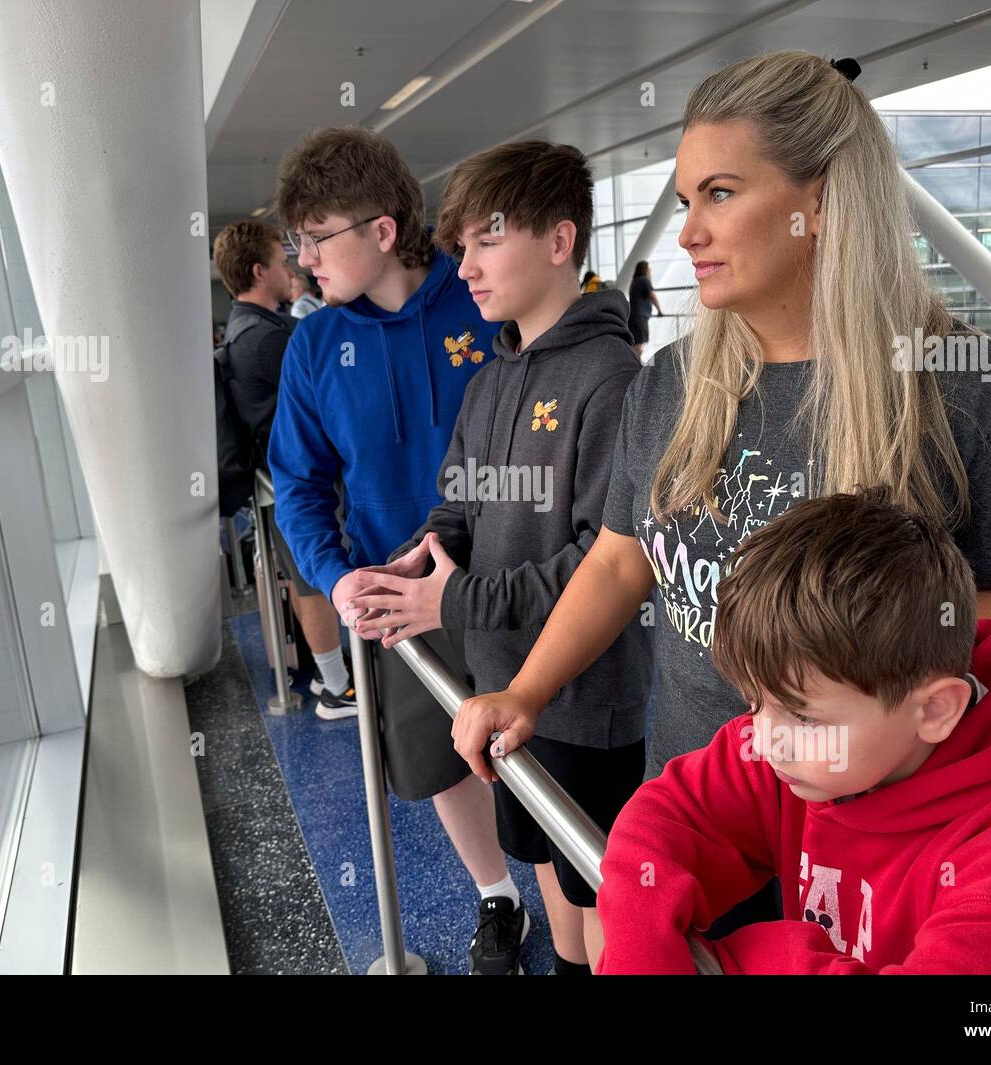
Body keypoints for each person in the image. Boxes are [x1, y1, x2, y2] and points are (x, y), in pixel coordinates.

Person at [449, 51, 991, 937]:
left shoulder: (959, 385)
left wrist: (868, 637)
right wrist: (528, 690)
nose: (689, 234)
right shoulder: (670, 385)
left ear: (820, 201)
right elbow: (622, 562)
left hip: (876, 826)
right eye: (684, 201)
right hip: (706, 805)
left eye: (719, 194)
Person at [595, 487, 991, 974]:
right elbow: (669, 818)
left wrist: (744, 962)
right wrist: (643, 948)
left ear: (936, 710)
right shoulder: (815, 744)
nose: (764, 739)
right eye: (754, 701)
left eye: (804, 717)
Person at [347, 140, 651, 975]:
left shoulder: (612, 380)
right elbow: (457, 508)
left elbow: (605, 562)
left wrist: (457, 602)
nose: (467, 267)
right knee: (546, 865)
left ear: (559, 241)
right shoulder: (490, 379)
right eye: (461, 246)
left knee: (598, 890)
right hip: (500, 686)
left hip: (583, 699)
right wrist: (412, 566)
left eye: (488, 240)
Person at [266, 126, 519, 971]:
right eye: (295, 241)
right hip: (399, 600)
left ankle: (576, 905)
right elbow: (298, 484)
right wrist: (337, 579)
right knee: (441, 761)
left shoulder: (482, 295)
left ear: (382, 229)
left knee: (547, 750)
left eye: (316, 237)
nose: (303, 260)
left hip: (516, 582)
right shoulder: (313, 349)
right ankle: (497, 895)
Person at [212, 220, 356, 717]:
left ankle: (330, 676)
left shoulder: (244, 329)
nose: (291, 267)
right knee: (312, 581)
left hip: (273, 484)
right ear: (258, 271)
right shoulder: (266, 341)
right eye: (280, 261)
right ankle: (337, 688)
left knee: (302, 578)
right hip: (290, 484)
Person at [627, 260, 663, 355]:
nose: (650, 271)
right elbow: (653, 296)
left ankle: (634, 361)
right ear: (645, 270)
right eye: (648, 269)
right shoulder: (644, 280)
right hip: (640, 317)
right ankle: (635, 363)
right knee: (640, 343)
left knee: (636, 342)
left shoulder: (634, 281)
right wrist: (659, 311)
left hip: (633, 316)